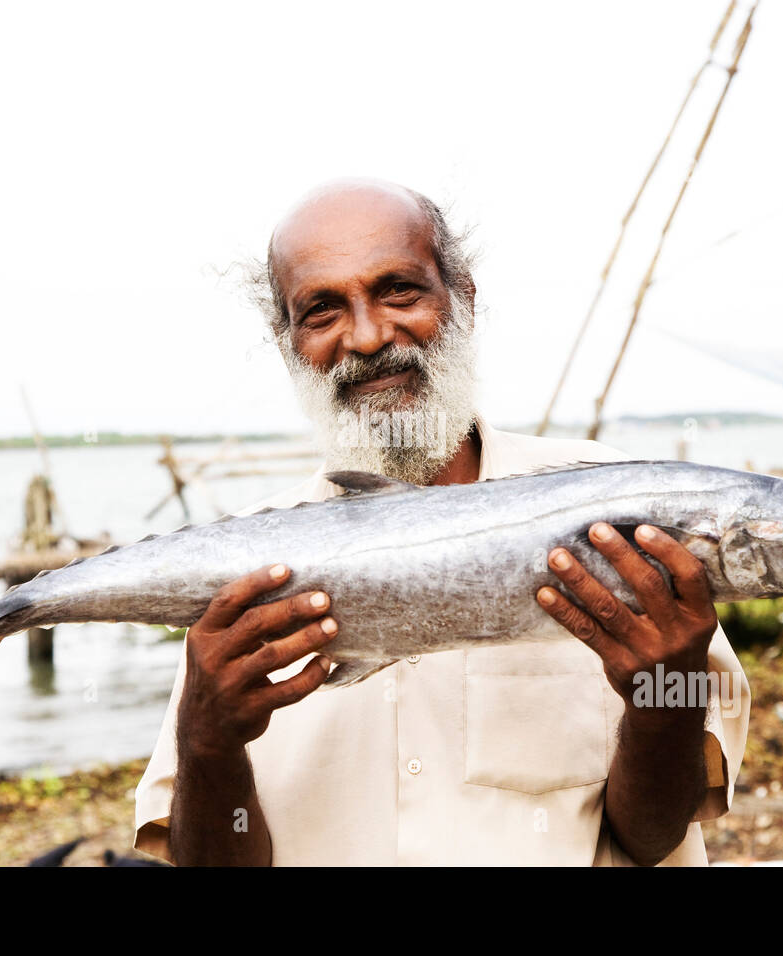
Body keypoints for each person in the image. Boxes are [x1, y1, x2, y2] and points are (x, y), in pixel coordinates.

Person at [132, 179, 750, 865]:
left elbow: (652, 835)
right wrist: (205, 742)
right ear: (288, 345)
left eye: (399, 290)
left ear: (464, 300)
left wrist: (667, 697)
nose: (367, 337)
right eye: (322, 310)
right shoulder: (243, 562)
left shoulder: (623, 518)